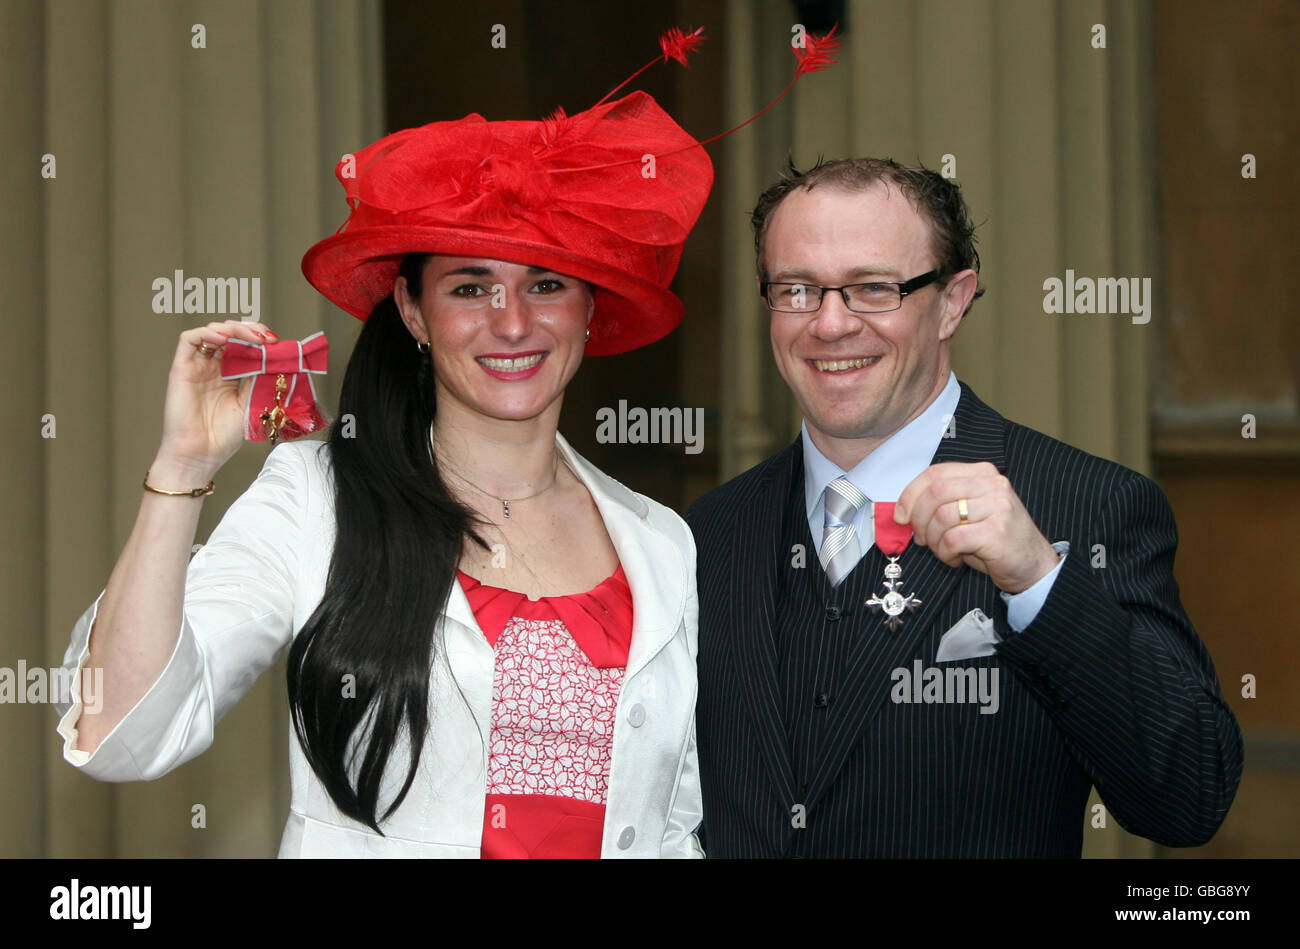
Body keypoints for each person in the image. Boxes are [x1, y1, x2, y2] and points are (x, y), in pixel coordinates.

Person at [51, 80, 714, 858]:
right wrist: (182, 466)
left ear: (589, 308)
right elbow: (126, 730)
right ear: (410, 309)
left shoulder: (661, 541)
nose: (512, 321)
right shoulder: (315, 499)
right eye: (471, 286)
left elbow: (674, 828)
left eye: (546, 283)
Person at [687, 157, 1244, 858]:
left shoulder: (1088, 506)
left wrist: (1041, 581)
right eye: (797, 289)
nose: (829, 324)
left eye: (873, 288)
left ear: (953, 301)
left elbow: (1190, 794)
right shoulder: (704, 535)